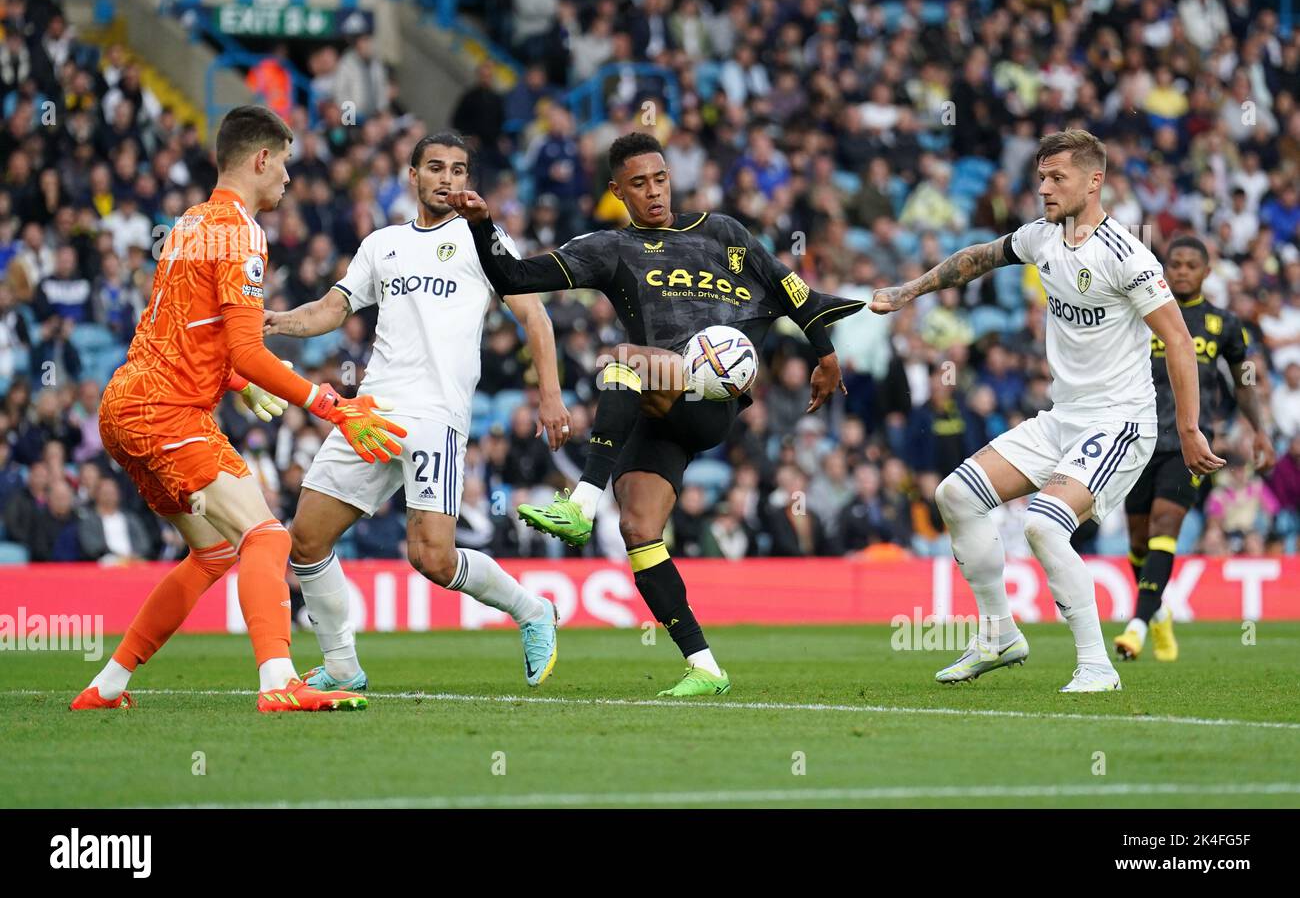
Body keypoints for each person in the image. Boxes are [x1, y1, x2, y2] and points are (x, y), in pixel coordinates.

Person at [447, 132, 865, 697]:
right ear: (617, 191)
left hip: (709, 396)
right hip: (653, 411)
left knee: (621, 359)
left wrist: (826, 357)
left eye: (661, 178)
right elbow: (515, 279)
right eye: (639, 184)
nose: (654, 192)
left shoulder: (723, 234)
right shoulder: (609, 248)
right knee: (640, 530)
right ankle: (705, 667)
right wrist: (481, 224)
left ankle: (581, 503)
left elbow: (794, 292)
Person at [74, 105, 405, 713]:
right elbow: (251, 350)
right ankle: (278, 681)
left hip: (125, 407)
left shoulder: (188, 224)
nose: (287, 176)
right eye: (283, 162)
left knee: (215, 551)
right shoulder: (244, 232)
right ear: (259, 159)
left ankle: (107, 686)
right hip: (168, 411)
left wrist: (232, 380)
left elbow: (181, 330)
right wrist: (332, 406)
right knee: (268, 537)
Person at [870, 129, 1223, 693]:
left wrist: (1187, 429)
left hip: (1120, 421)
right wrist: (908, 291)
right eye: (1041, 177)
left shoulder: (1127, 256)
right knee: (954, 495)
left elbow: (1179, 341)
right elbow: (977, 258)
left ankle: (1097, 666)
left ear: (1094, 181)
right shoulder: (1041, 239)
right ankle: (998, 635)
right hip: (1065, 417)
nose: (1044, 188)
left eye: (1057, 177)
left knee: (1041, 524)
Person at [264, 132, 567, 690]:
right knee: (305, 539)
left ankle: (532, 610)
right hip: (371, 409)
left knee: (430, 556)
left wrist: (549, 395)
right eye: (435, 168)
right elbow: (333, 308)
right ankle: (341, 668)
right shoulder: (382, 244)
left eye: (458, 169)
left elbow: (536, 317)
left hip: (435, 415)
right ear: (413, 175)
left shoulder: (482, 237)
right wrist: (277, 321)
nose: (447, 178)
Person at [1116, 235, 1274, 662]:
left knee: (1165, 525)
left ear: (1207, 272)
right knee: (1137, 541)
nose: (1182, 271)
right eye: (1176, 264)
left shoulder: (1224, 325)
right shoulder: (1140, 314)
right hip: (1136, 439)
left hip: (1189, 444)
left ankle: (1135, 628)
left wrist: (1259, 429)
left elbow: (1244, 384)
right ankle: (1158, 615)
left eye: (1191, 265)